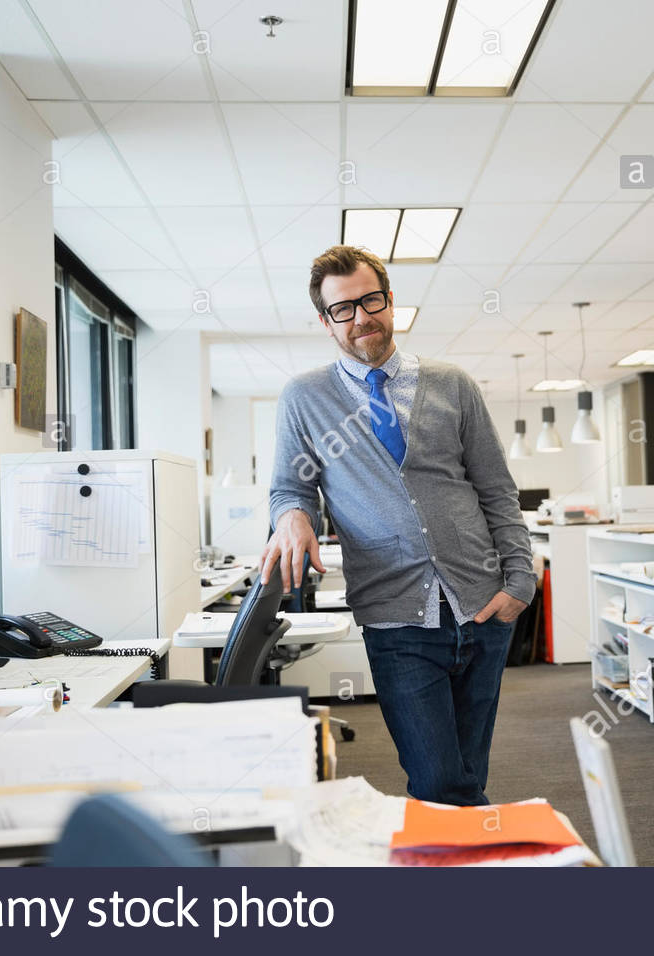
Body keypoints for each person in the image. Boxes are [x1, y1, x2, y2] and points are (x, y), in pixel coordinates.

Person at [261, 244, 535, 806]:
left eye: (371, 300)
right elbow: (291, 487)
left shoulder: (452, 383)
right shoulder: (305, 398)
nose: (361, 317)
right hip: (396, 617)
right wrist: (291, 519)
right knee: (438, 779)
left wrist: (519, 583)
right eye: (343, 309)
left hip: (482, 606)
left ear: (391, 301)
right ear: (325, 320)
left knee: (466, 775)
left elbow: (496, 489)